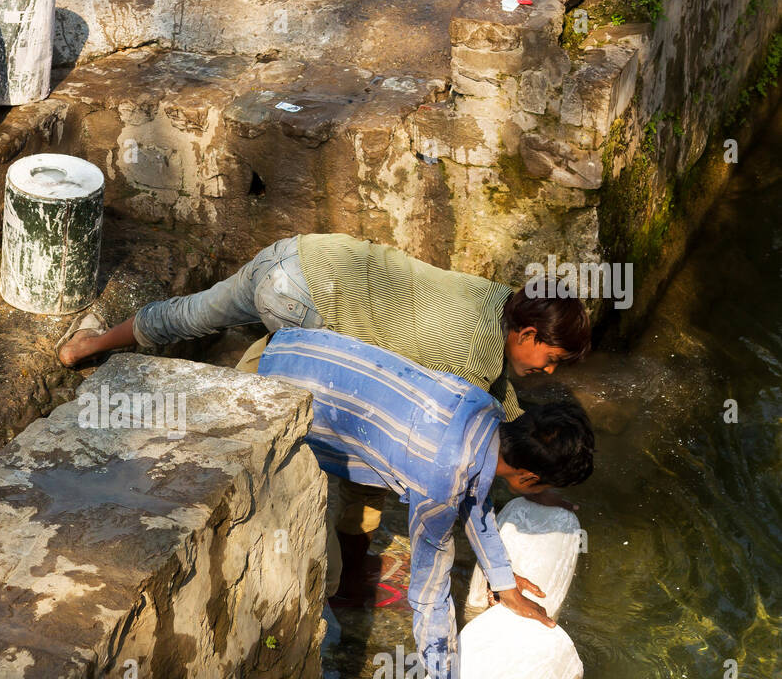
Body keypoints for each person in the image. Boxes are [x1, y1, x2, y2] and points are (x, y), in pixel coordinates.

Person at [57, 232, 592, 599]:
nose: (549, 374)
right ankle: (349, 573)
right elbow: (476, 451)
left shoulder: (496, 302)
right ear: (526, 334)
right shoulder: (470, 354)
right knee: (355, 443)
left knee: (194, 312)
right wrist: (520, 499)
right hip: (309, 304)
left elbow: (505, 409)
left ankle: (88, 345)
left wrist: (537, 471)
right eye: (551, 360)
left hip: (298, 258)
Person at [255, 327, 595, 679]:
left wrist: (504, 583)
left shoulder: (484, 410)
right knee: (319, 578)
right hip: (261, 401)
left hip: (291, 347)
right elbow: (430, 594)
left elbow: (476, 493)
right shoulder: (441, 479)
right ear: (528, 477)